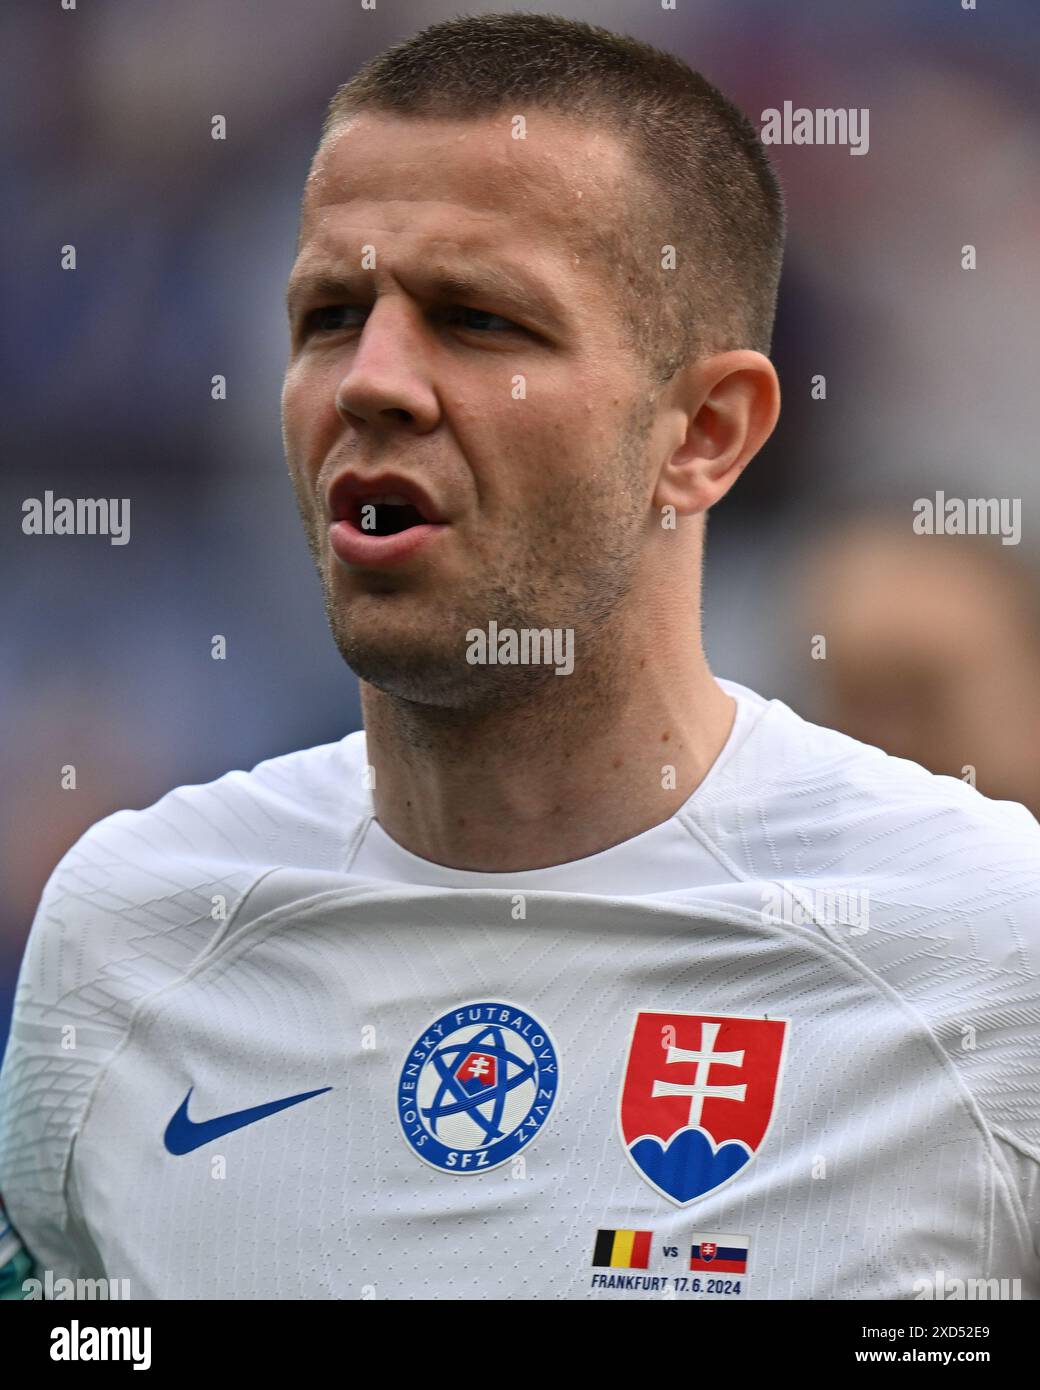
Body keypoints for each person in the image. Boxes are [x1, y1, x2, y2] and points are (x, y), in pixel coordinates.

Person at [1, 13, 1037, 1302]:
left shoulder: (993, 949)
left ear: (704, 433)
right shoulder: (130, 932)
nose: (371, 381)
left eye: (478, 319)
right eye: (330, 315)